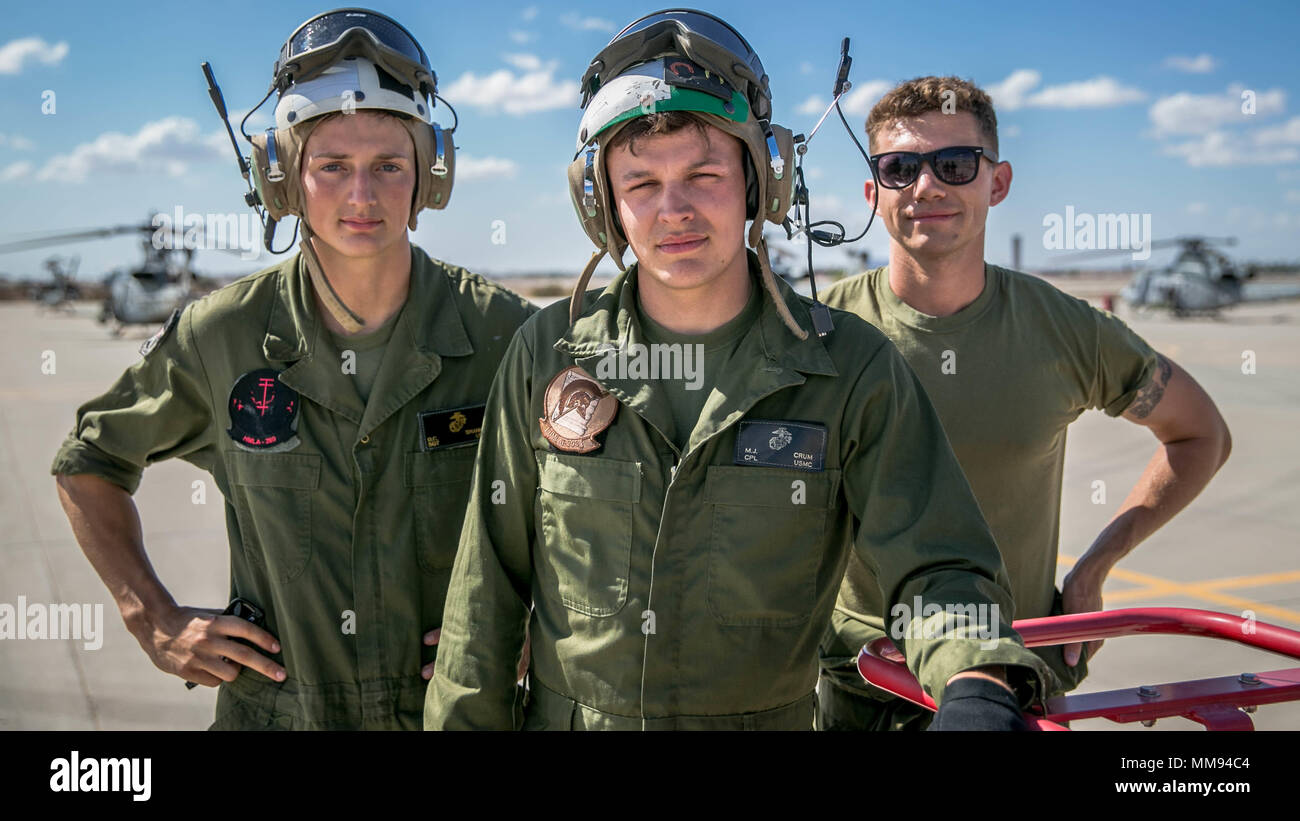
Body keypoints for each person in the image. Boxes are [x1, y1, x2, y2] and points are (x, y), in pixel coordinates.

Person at [425, 10, 1052, 731]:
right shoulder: (550, 352)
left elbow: (941, 565)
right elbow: (486, 595)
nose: (674, 210)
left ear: (759, 183)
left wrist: (975, 683)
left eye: (704, 174)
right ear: (601, 204)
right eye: (640, 183)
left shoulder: (848, 369)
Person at [50, 8, 535, 730]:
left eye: (388, 166)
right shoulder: (222, 337)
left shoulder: (507, 335)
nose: (361, 197)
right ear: (280, 178)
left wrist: (539, 620)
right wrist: (151, 617)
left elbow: (588, 505)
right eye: (332, 167)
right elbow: (89, 461)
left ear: (431, 173)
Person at [816, 76, 1232, 730]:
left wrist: (1096, 564)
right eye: (900, 168)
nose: (926, 187)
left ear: (998, 182)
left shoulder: (1062, 328)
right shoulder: (818, 332)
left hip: (1007, 679)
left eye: (955, 164)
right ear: (873, 192)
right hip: (859, 680)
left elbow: (1200, 433)